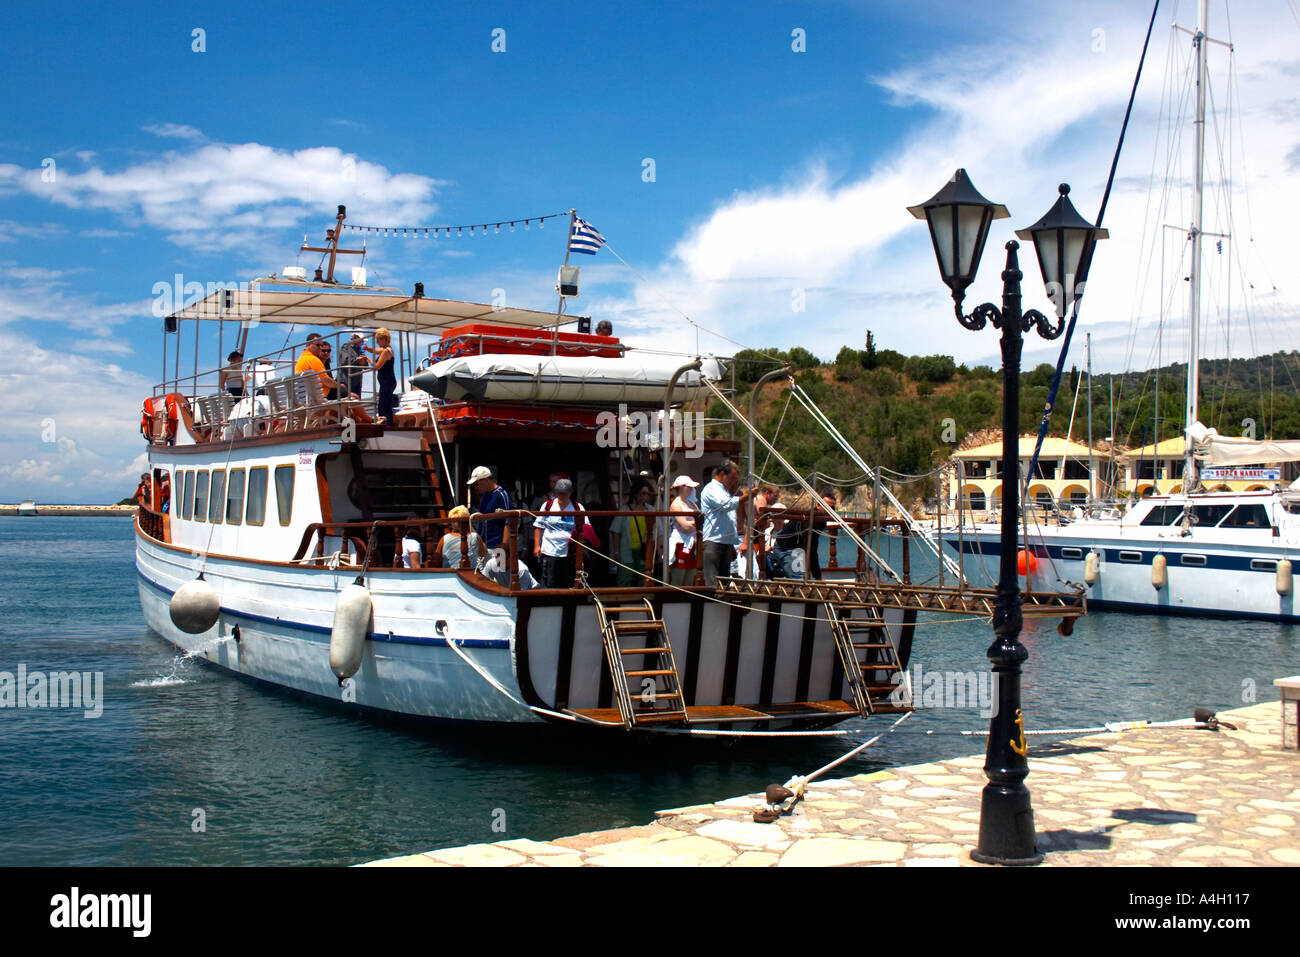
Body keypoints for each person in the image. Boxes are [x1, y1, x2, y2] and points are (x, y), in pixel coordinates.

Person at [699, 460, 755, 587]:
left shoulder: (724, 491)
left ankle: (721, 604)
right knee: (712, 583)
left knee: (724, 583)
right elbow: (725, 505)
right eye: (732, 478)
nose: (734, 481)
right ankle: (712, 604)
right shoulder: (711, 489)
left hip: (725, 542)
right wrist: (746, 497)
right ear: (723, 474)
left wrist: (731, 542)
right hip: (713, 541)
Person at [295, 336, 373, 424]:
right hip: (320, 396)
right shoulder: (313, 360)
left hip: (307, 397)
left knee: (346, 400)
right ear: (308, 345)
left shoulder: (301, 360)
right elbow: (326, 380)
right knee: (353, 397)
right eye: (318, 345)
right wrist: (339, 385)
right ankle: (369, 420)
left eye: (327, 350)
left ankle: (361, 420)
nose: (321, 349)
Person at [533, 477, 585, 588]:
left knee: (568, 583)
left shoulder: (577, 507)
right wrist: (537, 546)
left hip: (569, 553)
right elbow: (538, 526)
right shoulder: (547, 506)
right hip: (549, 551)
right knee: (549, 583)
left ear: (570, 493)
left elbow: (586, 529)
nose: (561, 496)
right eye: (559, 493)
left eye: (564, 493)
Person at [609, 479, 655, 586]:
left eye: (647, 494)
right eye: (643, 493)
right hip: (626, 551)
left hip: (644, 551)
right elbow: (615, 532)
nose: (645, 496)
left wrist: (657, 552)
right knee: (624, 580)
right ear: (636, 493)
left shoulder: (650, 510)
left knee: (644, 580)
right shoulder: (624, 510)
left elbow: (658, 532)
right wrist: (616, 552)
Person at [667, 475, 700, 586]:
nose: (691, 489)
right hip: (679, 544)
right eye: (689, 486)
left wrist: (692, 524)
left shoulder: (692, 504)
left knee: (690, 580)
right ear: (681, 487)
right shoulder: (676, 504)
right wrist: (696, 524)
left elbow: (699, 521)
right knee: (678, 581)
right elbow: (684, 527)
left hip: (692, 544)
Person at [468, 466, 512, 551]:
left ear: (485, 480)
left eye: (477, 484)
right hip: (483, 546)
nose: (476, 488)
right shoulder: (484, 497)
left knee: (500, 565)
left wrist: (504, 544)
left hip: (497, 546)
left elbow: (508, 521)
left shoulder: (501, 495)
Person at [371, 327, 397, 425]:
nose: (377, 342)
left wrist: (368, 359)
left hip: (387, 381)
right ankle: (387, 424)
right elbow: (376, 350)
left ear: (384, 339)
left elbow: (377, 367)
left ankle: (387, 426)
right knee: (385, 404)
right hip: (387, 381)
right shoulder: (387, 349)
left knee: (384, 405)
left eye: (378, 339)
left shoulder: (386, 351)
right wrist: (366, 349)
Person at [337, 333, 371, 400]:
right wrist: (357, 361)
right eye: (361, 340)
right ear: (355, 337)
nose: (362, 342)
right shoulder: (346, 346)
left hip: (356, 381)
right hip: (347, 381)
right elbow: (345, 361)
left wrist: (363, 362)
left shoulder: (359, 348)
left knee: (356, 403)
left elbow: (365, 364)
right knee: (349, 403)